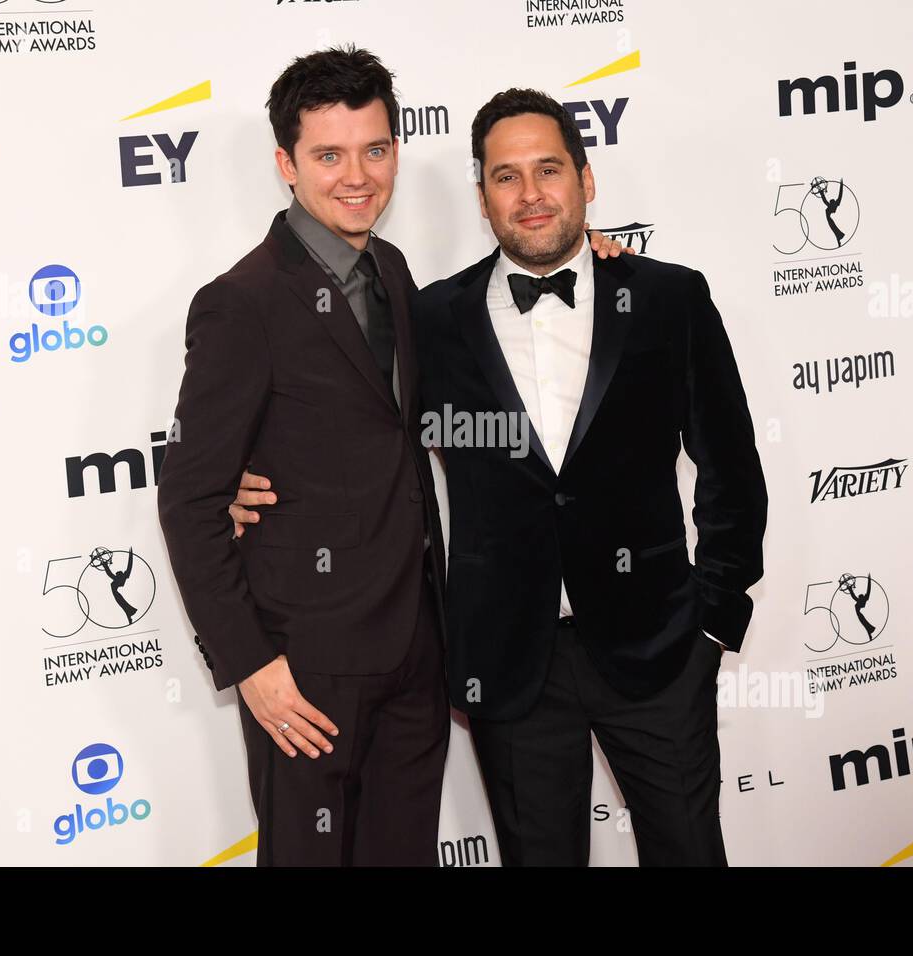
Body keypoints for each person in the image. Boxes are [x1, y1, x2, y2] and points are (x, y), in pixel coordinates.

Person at [236, 87, 768, 866]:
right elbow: (357, 419)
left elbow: (731, 466)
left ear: (587, 180)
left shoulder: (668, 299)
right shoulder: (433, 318)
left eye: (548, 170)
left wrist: (714, 620)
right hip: (508, 668)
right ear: (481, 198)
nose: (530, 195)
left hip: (658, 653)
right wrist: (246, 474)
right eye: (505, 177)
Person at [159, 49, 625, 867]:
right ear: (285, 165)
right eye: (329, 155)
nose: (357, 176)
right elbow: (189, 497)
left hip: (419, 651)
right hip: (304, 671)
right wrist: (254, 666)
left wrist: (592, 266)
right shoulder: (242, 302)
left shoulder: (395, 269)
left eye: (375, 150)